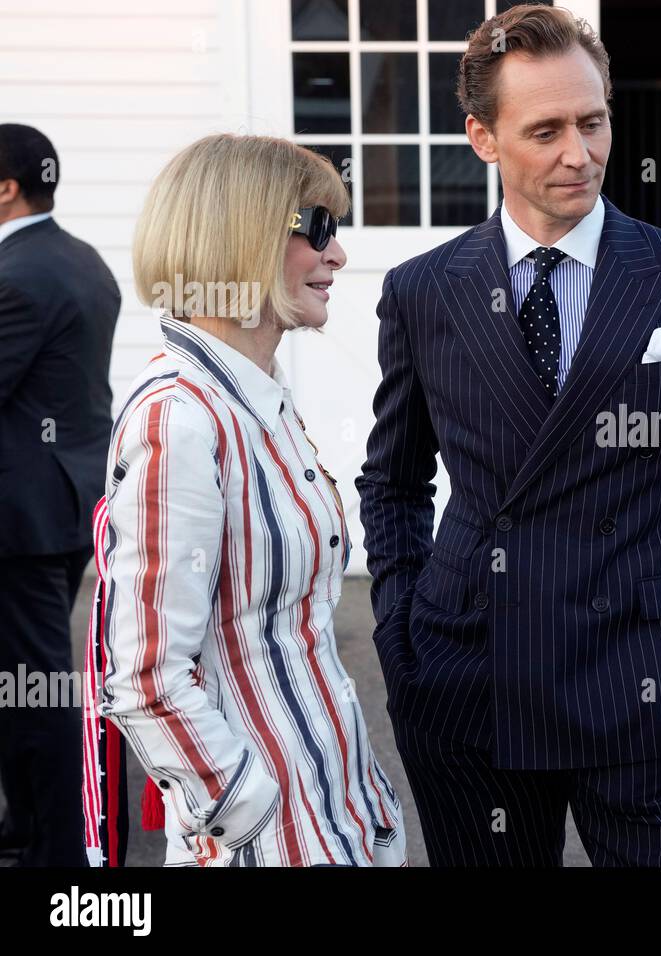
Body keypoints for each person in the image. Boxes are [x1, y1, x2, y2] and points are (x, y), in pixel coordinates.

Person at [358, 4, 661, 866]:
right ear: (484, 138)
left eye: (593, 122)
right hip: (468, 681)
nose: (579, 153)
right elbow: (394, 482)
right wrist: (402, 632)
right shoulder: (425, 290)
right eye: (546, 129)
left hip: (638, 684)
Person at [95, 134, 405, 866]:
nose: (337, 255)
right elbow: (144, 678)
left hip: (338, 817)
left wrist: (361, 803)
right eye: (318, 228)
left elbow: (292, 638)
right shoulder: (183, 414)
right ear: (242, 233)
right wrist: (248, 815)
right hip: (273, 844)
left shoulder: (257, 399)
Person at [0, 123, 120, 867]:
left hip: (22, 523)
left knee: (34, 690)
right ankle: (28, 827)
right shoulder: (80, 259)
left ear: (7, 187)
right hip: (65, 504)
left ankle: (58, 854)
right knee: (19, 685)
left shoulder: (18, 275)